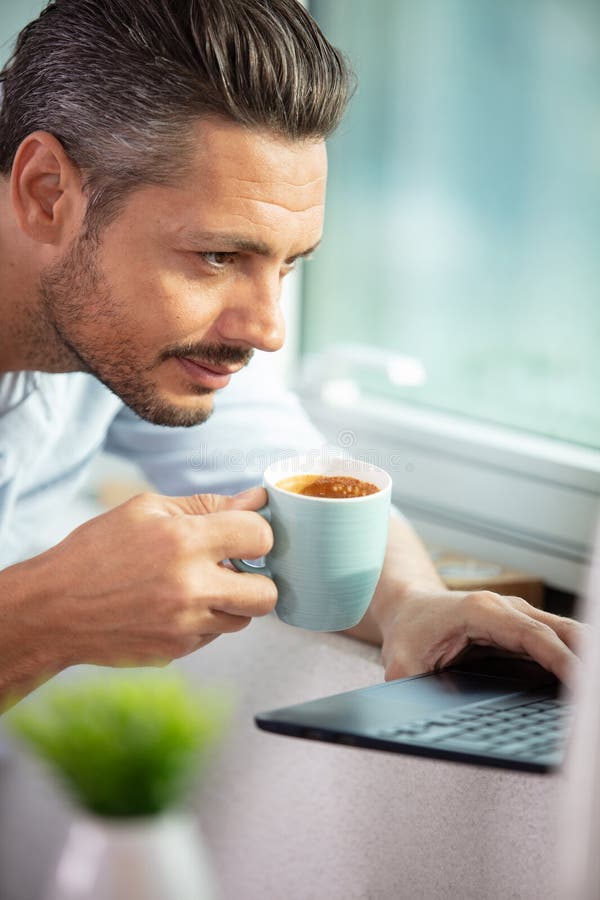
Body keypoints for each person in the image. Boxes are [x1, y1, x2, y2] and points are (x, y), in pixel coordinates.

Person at [0, 0, 581, 708]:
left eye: (287, 265)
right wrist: (42, 619)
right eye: (216, 256)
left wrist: (412, 605)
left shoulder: (138, 336)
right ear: (47, 193)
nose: (269, 330)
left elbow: (283, 468)